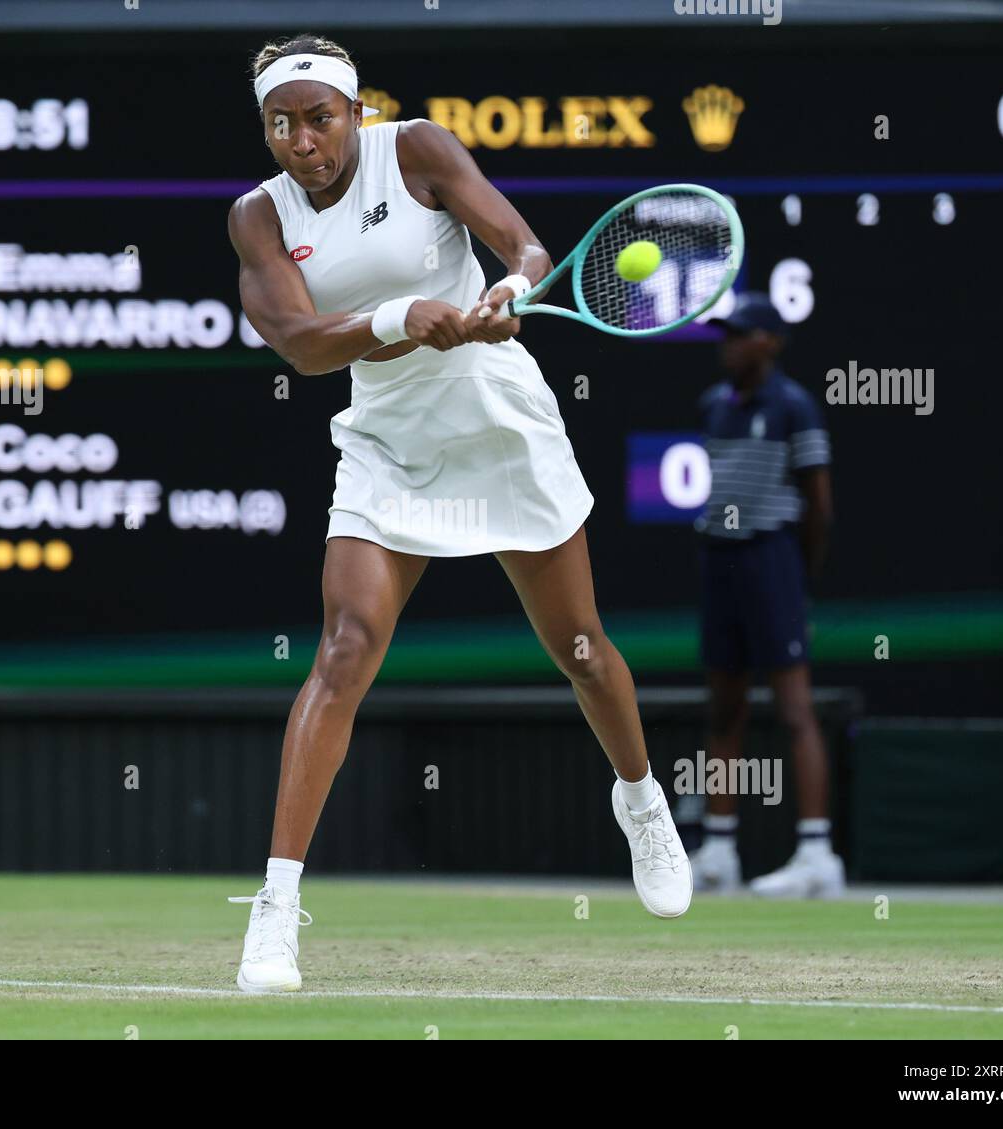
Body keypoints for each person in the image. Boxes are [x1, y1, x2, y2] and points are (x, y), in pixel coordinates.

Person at [224, 32, 691, 993]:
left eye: (319, 117)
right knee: (346, 646)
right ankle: (275, 911)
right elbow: (306, 347)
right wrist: (400, 319)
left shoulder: (421, 150)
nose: (303, 140)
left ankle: (640, 801)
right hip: (387, 439)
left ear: (355, 112)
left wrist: (512, 284)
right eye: (282, 123)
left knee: (583, 651)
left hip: (496, 415)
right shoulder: (256, 220)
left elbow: (522, 243)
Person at [688, 293, 843, 897]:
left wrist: (798, 577)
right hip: (721, 561)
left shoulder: (794, 406)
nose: (729, 345)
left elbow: (820, 507)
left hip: (772, 558)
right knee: (724, 711)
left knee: (795, 711)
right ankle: (721, 850)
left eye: (741, 335)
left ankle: (816, 855)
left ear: (771, 342)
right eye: (725, 335)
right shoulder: (712, 407)